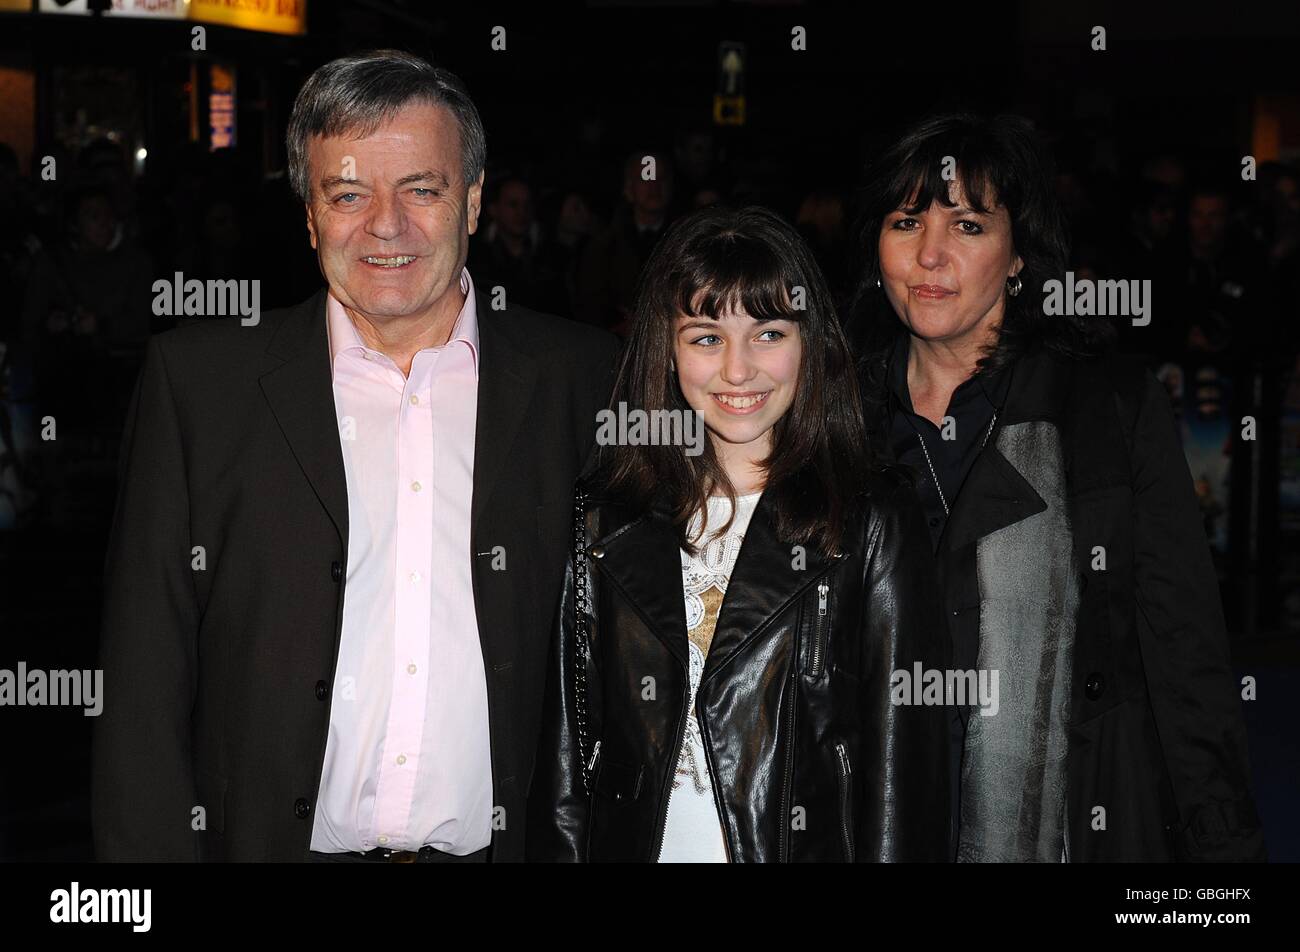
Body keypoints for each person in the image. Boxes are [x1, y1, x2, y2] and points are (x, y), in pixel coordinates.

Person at [92, 50, 620, 863]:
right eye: (347, 194)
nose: (385, 224)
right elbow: (142, 686)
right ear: (309, 214)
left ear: (474, 200)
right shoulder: (200, 387)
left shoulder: (588, 382)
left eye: (421, 188)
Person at [851, 112, 1265, 861]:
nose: (931, 254)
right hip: (877, 819)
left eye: (969, 225)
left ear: (1018, 257)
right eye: (906, 220)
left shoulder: (1107, 410)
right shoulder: (835, 422)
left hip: (1076, 821)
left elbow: (1183, 654)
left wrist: (1223, 860)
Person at [527, 205, 951, 862]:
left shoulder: (870, 520)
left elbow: (902, 780)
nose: (737, 371)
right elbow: (566, 768)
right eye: (705, 337)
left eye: (768, 333)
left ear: (810, 343)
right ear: (665, 349)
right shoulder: (604, 517)